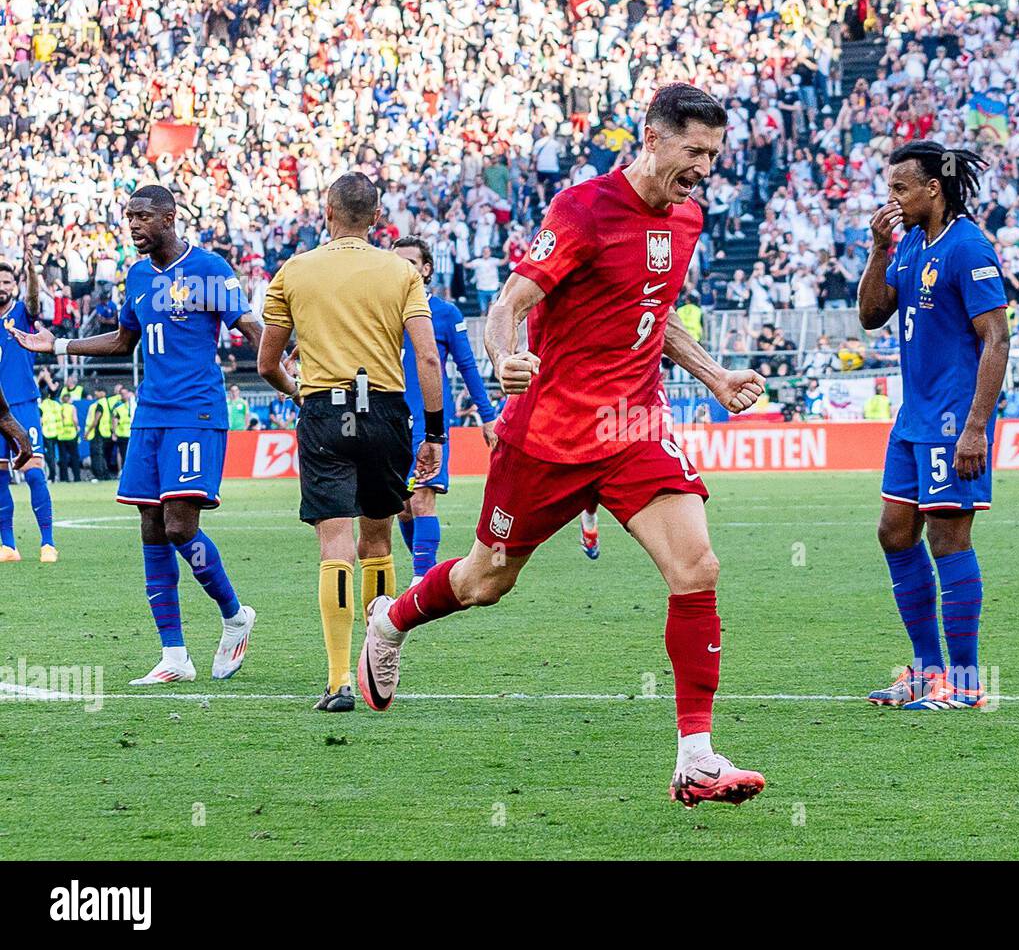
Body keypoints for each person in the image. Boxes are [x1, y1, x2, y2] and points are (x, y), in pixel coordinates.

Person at [357, 84, 768, 808]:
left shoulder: (690, 217)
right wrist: (503, 357)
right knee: (487, 580)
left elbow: (652, 311)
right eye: (694, 151)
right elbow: (511, 301)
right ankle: (392, 619)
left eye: (713, 155)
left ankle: (696, 758)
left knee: (696, 566)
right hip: (548, 435)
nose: (704, 168)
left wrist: (713, 374)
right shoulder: (582, 210)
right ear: (652, 136)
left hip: (634, 426)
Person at [8, 186, 280, 685]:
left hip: (195, 412)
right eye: (129, 216)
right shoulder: (135, 275)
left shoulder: (209, 270)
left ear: (170, 218)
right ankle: (174, 655)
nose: (133, 225)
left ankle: (235, 615)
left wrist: (283, 376)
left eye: (143, 216)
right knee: (151, 528)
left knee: (179, 525)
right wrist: (60, 343)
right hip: (150, 413)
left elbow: (249, 325)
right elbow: (124, 339)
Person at [256, 173, 444, 713]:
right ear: (377, 218)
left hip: (325, 410)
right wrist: (433, 432)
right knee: (378, 543)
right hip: (385, 411)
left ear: (328, 209)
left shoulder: (295, 271)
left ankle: (339, 679)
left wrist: (298, 393)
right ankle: (376, 659)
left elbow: (267, 362)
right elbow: (428, 359)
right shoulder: (401, 272)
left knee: (333, 547)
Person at [857, 139, 1010, 711]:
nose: (890, 198)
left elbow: (996, 339)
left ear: (933, 189)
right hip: (912, 419)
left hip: (953, 420)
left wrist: (975, 428)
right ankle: (925, 670)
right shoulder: (914, 242)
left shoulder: (969, 247)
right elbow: (873, 316)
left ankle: (967, 684)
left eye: (899, 188)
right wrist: (878, 250)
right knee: (894, 532)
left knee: (948, 539)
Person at [390, 235, 498, 585]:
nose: (402, 269)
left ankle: (422, 580)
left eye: (409, 262)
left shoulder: (445, 313)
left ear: (426, 269)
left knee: (422, 499)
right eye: (396, 262)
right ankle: (426, 571)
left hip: (428, 419)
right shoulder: (382, 310)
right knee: (402, 507)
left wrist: (487, 416)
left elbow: (467, 367)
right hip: (389, 418)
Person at [0, 252, 56, 562]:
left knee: (34, 472)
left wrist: (32, 272)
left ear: (14, 285)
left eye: (7, 281)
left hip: (22, 404)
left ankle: (47, 543)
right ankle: (8, 545)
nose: (2, 286)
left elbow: (34, 304)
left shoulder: (21, 313)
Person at [84, 388, 114, 480]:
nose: (95, 393)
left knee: (97, 455)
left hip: (98, 433)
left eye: (97, 391)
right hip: (105, 432)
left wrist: (87, 432)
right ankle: (105, 474)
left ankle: (99, 475)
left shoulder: (100, 404)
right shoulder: (107, 403)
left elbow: (96, 420)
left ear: (103, 393)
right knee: (102, 455)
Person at [55, 389, 80, 483]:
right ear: (69, 399)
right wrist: (77, 427)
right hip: (71, 434)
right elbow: (74, 419)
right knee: (74, 456)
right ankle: (77, 477)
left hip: (61, 434)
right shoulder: (72, 407)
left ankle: (64, 478)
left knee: (63, 457)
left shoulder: (59, 408)